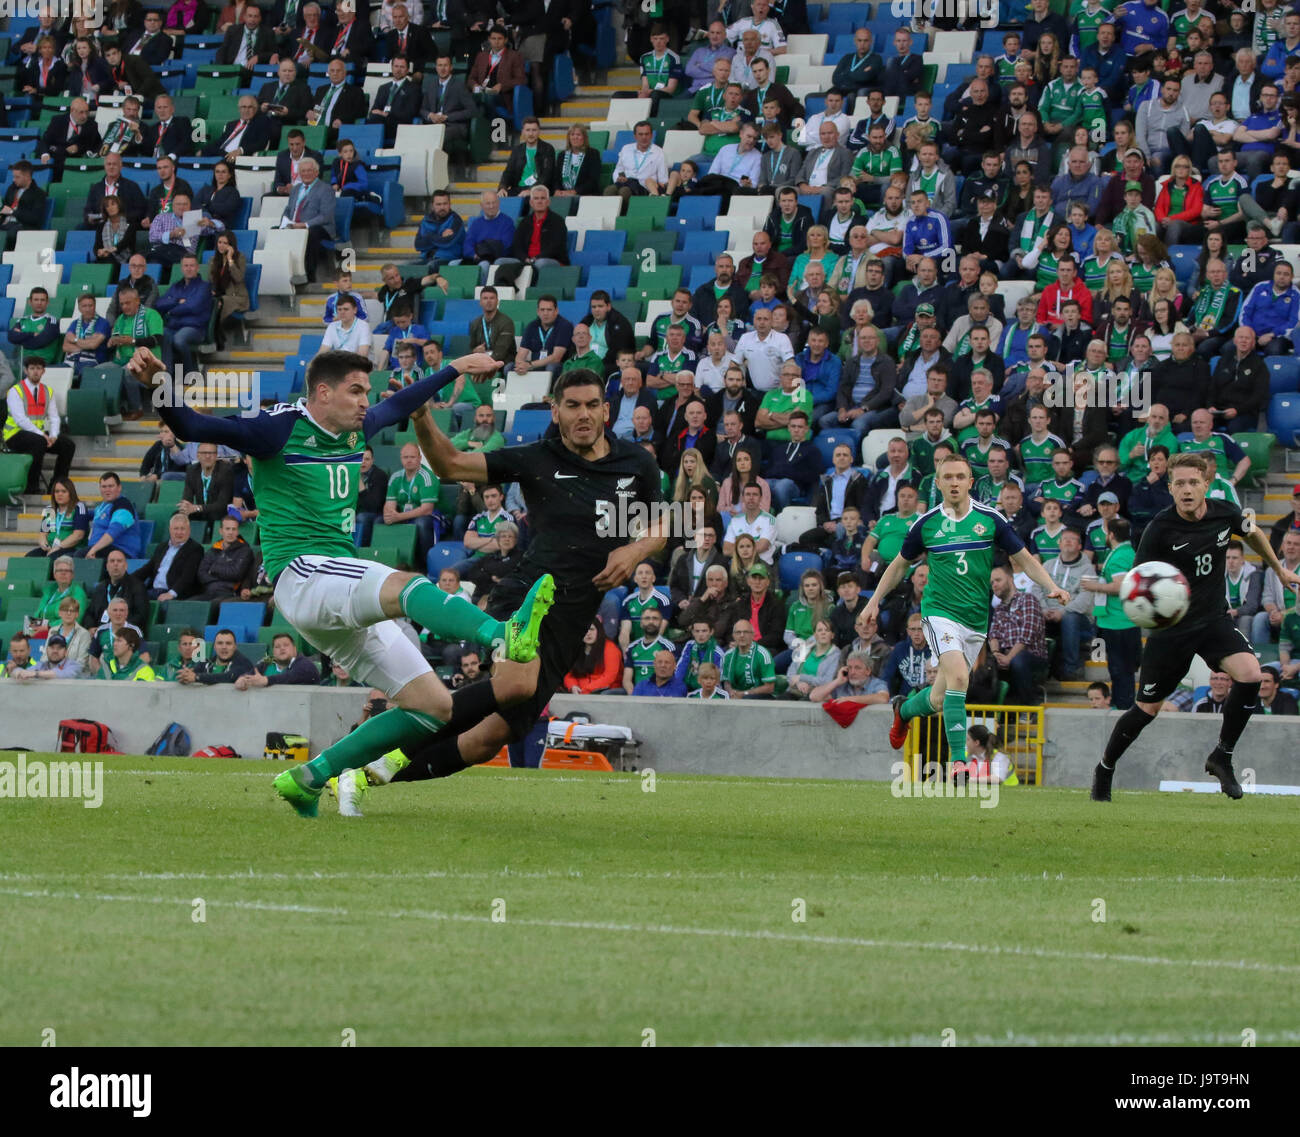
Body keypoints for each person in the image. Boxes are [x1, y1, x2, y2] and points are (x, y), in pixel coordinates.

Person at [130, 345, 557, 818]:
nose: (364, 402)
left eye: (366, 393)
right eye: (355, 392)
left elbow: (399, 403)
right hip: (303, 574)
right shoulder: (279, 428)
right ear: (322, 393)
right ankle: (501, 634)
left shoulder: (358, 428)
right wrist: (159, 385)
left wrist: (454, 368)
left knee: (433, 706)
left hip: (333, 591)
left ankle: (308, 778)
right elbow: (194, 426)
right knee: (407, 584)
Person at [350, 369, 667, 799]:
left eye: (592, 404)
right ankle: (376, 736)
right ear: (555, 411)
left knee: (486, 741)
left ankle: (365, 776)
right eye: (572, 405)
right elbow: (450, 464)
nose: (583, 414)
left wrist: (634, 550)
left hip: (573, 620)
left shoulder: (637, 463)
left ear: (606, 410)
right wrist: (422, 415)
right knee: (516, 684)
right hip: (525, 596)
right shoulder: (538, 458)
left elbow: (663, 524)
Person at [1089, 454, 1299, 801]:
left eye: (1193, 483)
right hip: (1172, 630)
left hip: (1213, 619)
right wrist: (1149, 610)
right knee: (1146, 711)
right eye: (1179, 484)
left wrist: (1278, 568)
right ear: (1170, 488)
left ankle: (1222, 755)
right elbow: (1139, 583)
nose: (1186, 490)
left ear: (1205, 484)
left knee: (1250, 674)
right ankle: (1105, 767)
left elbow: (1254, 532)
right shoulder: (1160, 528)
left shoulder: (1225, 512)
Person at [864, 453, 1069, 768]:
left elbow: (1026, 558)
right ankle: (959, 763)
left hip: (975, 619)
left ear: (971, 482)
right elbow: (898, 566)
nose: (955, 482)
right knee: (960, 677)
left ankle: (903, 710)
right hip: (939, 612)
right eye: (948, 477)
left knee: (937, 699)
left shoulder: (989, 519)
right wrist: (873, 600)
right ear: (939, 482)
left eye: (961, 476)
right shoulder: (927, 523)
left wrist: (1050, 585)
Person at [3, 357, 75, 496]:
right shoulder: (15, 391)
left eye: (38, 368)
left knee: (68, 445)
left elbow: (54, 417)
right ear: (26, 371)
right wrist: (43, 435)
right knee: (39, 442)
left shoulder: (48, 391)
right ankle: (31, 487)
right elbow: (20, 420)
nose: (35, 372)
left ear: (43, 371)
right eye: (32, 368)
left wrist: (53, 435)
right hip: (14, 435)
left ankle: (56, 486)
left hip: (38, 435)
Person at [134, 512, 204, 602]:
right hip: (153, 591)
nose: (179, 532)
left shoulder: (195, 549)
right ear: (170, 530)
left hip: (174, 594)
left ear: (189, 530)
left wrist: (171, 593)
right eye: (176, 529)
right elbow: (147, 569)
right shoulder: (161, 547)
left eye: (183, 529)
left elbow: (187, 577)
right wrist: (126, 581)